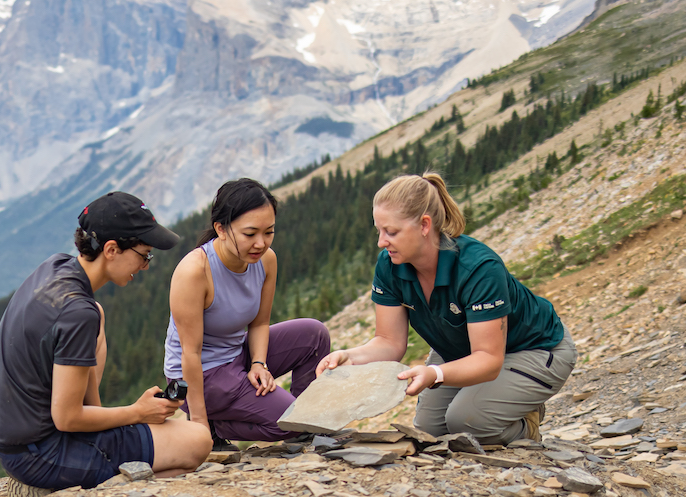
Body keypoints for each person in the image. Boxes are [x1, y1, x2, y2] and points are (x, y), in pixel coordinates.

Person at [0, 191, 212, 497]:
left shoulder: (56, 267)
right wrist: (137, 412)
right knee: (198, 441)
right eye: (144, 255)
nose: (145, 266)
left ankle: (98, 440)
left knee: (96, 313)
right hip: (37, 453)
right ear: (112, 249)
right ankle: (72, 486)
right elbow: (67, 417)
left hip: (6, 435)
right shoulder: (77, 313)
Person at [316, 173, 576, 444]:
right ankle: (496, 403)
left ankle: (526, 422)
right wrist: (350, 357)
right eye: (379, 231)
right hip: (463, 351)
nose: (381, 242)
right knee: (431, 433)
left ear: (425, 225)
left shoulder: (479, 268)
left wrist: (435, 374)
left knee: (466, 422)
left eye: (391, 232)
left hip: (534, 350)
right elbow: (389, 341)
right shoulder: (390, 264)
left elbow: (488, 359)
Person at [163, 178, 331, 447]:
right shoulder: (195, 271)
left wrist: (258, 364)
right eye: (250, 234)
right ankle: (218, 427)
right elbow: (190, 354)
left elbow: (260, 322)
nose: (260, 243)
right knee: (291, 423)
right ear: (221, 229)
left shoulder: (266, 260)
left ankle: (306, 424)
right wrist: (199, 424)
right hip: (203, 375)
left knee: (314, 335)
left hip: (239, 355)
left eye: (269, 232)